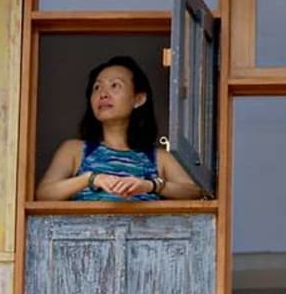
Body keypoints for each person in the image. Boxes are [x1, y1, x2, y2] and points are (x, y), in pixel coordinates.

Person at [36, 55, 203, 201]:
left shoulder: (158, 157)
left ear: (139, 99)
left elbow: (195, 191)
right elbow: (44, 194)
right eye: (97, 87)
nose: (103, 94)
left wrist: (150, 186)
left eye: (115, 85)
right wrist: (91, 179)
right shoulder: (74, 150)